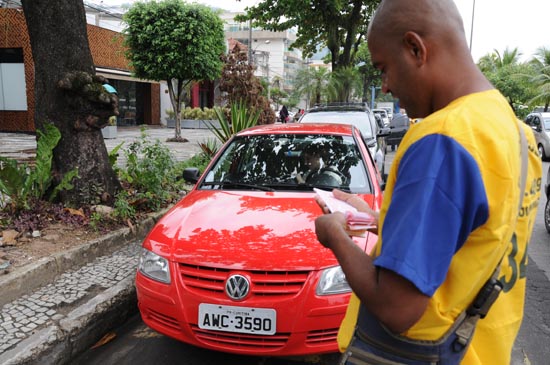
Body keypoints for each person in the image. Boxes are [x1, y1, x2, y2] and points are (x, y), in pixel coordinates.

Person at [314, 1, 542, 364]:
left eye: (384, 68)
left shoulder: (443, 140)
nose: (385, 86)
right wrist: (377, 219)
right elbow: (476, 233)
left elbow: (397, 306)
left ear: (415, 48)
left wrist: (334, 235)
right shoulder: (513, 130)